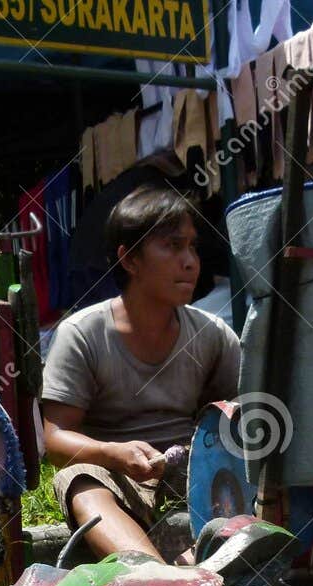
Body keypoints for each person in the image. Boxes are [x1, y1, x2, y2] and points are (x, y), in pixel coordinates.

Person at [41, 185, 240, 562]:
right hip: (112, 474)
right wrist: (113, 453)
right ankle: (159, 584)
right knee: (79, 483)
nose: (190, 261)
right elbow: (55, 440)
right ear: (130, 260)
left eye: (192, 247)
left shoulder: (212, 334)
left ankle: (205, 563)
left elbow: (232, 417)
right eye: (172, 246)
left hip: (189, 475)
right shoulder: (82, 334)